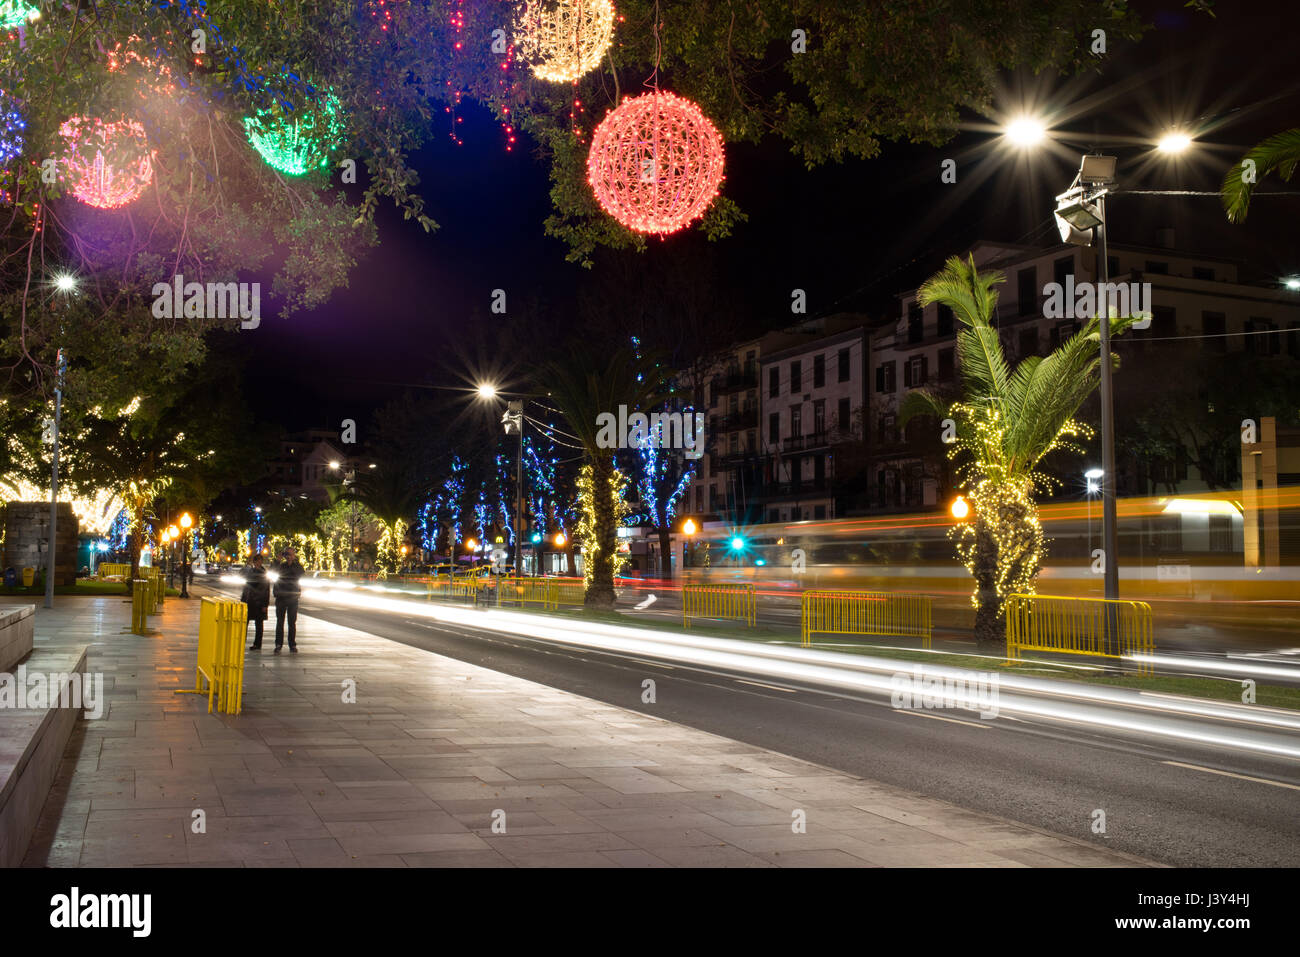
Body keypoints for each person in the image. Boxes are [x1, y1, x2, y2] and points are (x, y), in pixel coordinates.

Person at [273, 546, 305, 653]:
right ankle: (278, 644)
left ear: (294, 555)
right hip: (281, 597)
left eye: (291, 554)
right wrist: (278, 560)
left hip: (292, 597)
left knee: (292, 623)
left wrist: (293, 562)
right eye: (287, 554)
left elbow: (299, 573)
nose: (289, 556)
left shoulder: (297, 566)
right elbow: (273, 571)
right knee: (280, 622)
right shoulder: (281, 566)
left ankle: (292, 644)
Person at [240, 554, 271, 650]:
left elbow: (266, 590)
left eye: (259, 561)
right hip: (250, 601)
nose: (258, 563)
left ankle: (257, 644)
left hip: (259, 602)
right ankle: (242, 641)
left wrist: (265, 604)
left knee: (258, 624)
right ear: (254, 562)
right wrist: (243, 600)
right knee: (245, 623)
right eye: (256, 561)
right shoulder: (250, 572)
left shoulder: (263, 573)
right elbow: (246, 587)